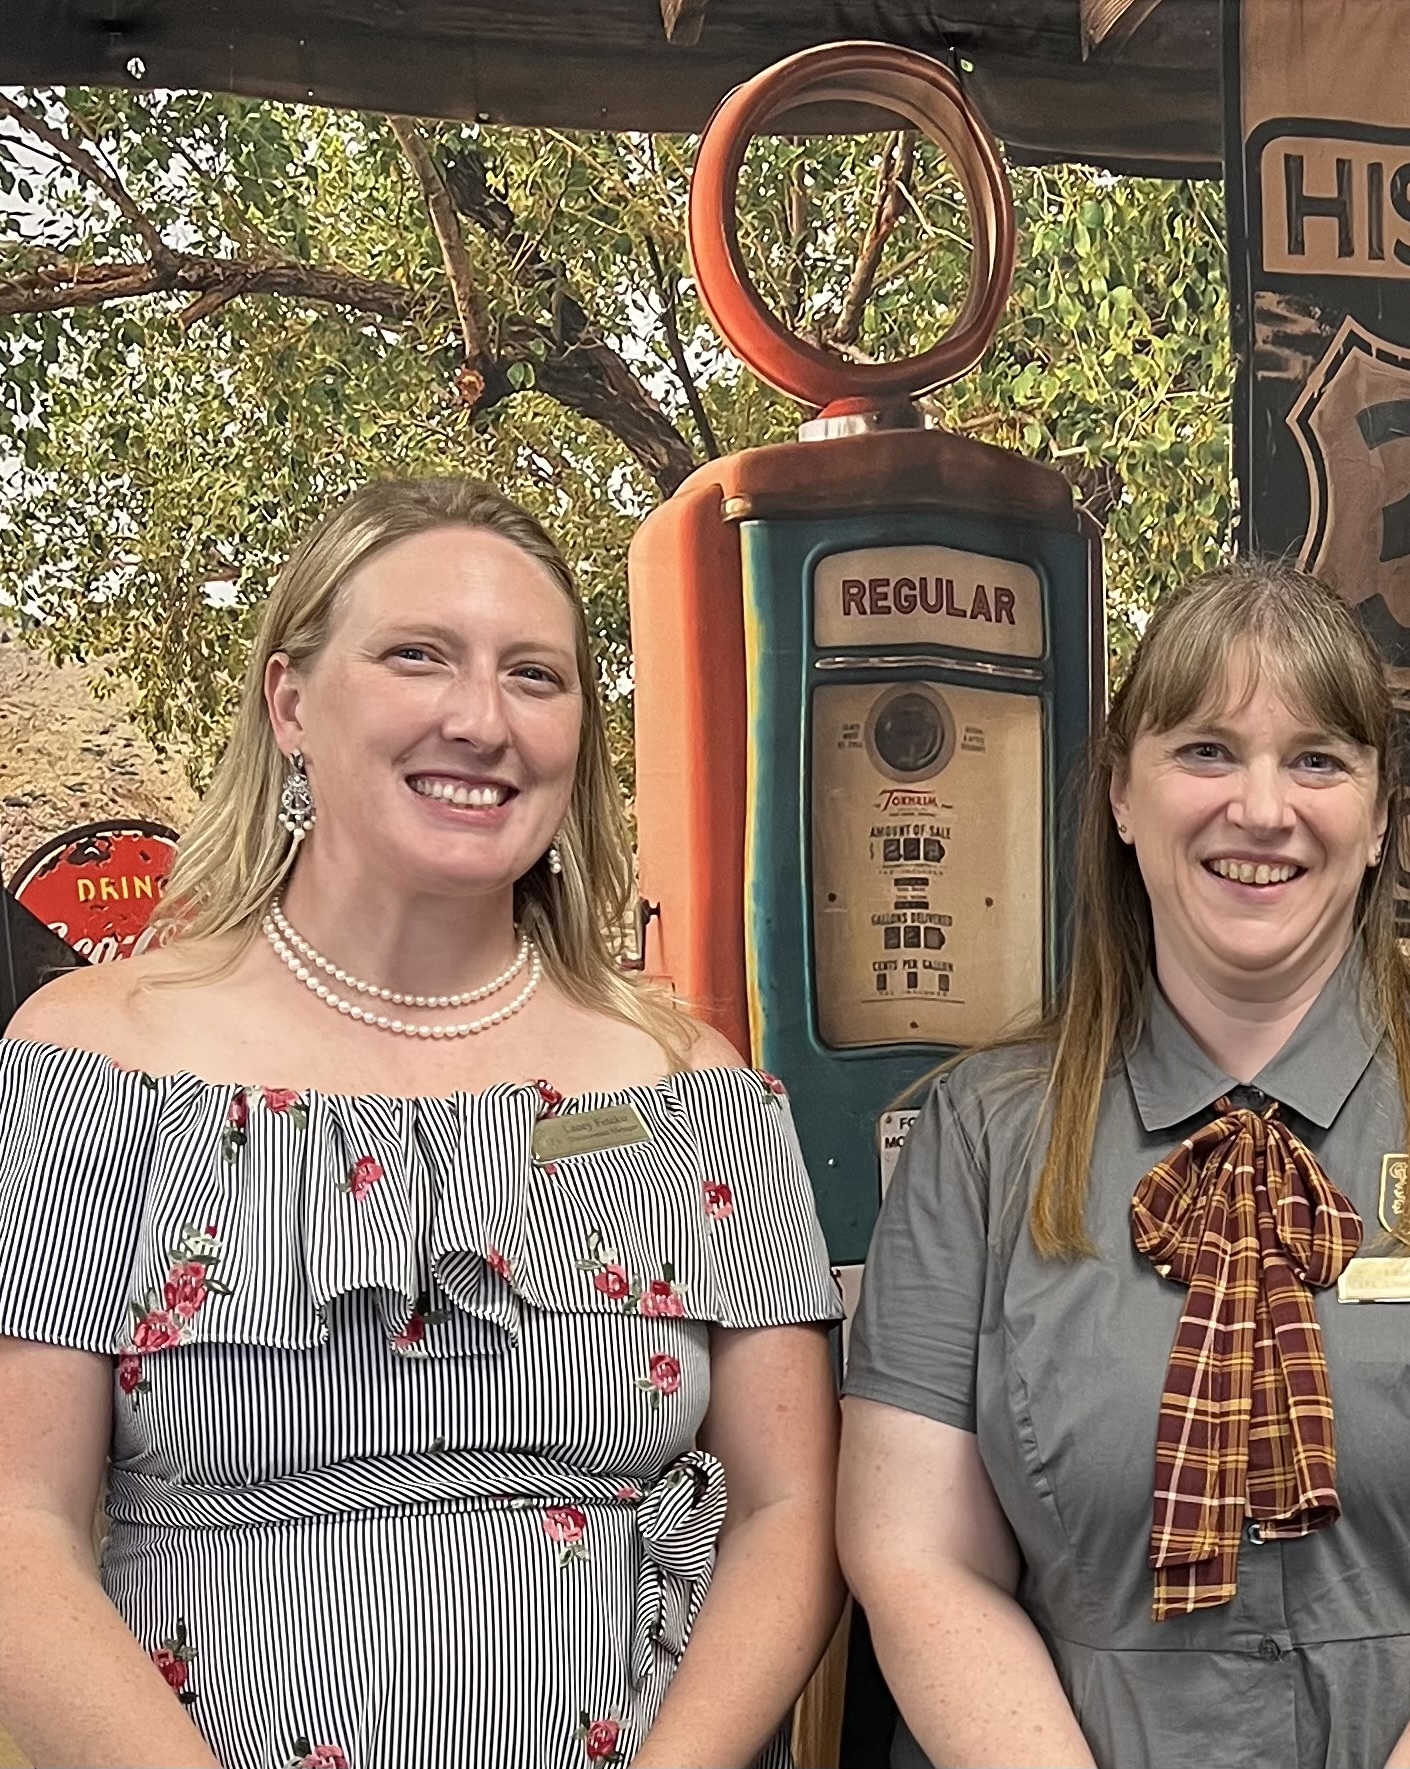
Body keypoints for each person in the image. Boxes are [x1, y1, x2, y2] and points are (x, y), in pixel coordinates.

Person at [0, 477, 843, 1769]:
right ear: (291, 703)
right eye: (417, 656)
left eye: (534, 676)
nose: (480, 719)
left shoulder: (689, 1083)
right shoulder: (91, 1058)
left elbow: (790, 1507)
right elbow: (18, 1524)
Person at [836, 560, 1410, 1768]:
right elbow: (911, 1549)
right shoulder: (979, 1134)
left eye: (1315, 759)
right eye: (1204, 750)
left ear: (1380, 811)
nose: (1259, 807)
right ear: (1123, 796)